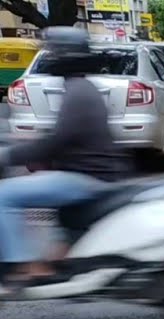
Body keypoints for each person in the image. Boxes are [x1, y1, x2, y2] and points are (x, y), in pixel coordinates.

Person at [0, 27, 131, 287]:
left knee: (5, 195)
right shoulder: (80, 88)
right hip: (89, 172)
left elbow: (57, 141)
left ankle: (22, 265)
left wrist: (10, 155)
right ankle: (53, 258)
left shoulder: (78, 92)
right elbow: (64, 137)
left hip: (86, 178)